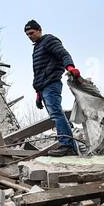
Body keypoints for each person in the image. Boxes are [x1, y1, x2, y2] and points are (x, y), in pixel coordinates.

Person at [25, 20, 82, 156]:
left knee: (56, 114)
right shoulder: (37, 47)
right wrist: (38, 93)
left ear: (39, 30)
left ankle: (67, 145)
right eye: (27, 35)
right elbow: (38, 72)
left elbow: (63, 54)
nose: (30, 36)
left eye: (31, 33)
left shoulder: (49, 40)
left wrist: (70, 67)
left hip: (52, 84)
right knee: (55, 114)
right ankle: (70, 146)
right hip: (43, 87)